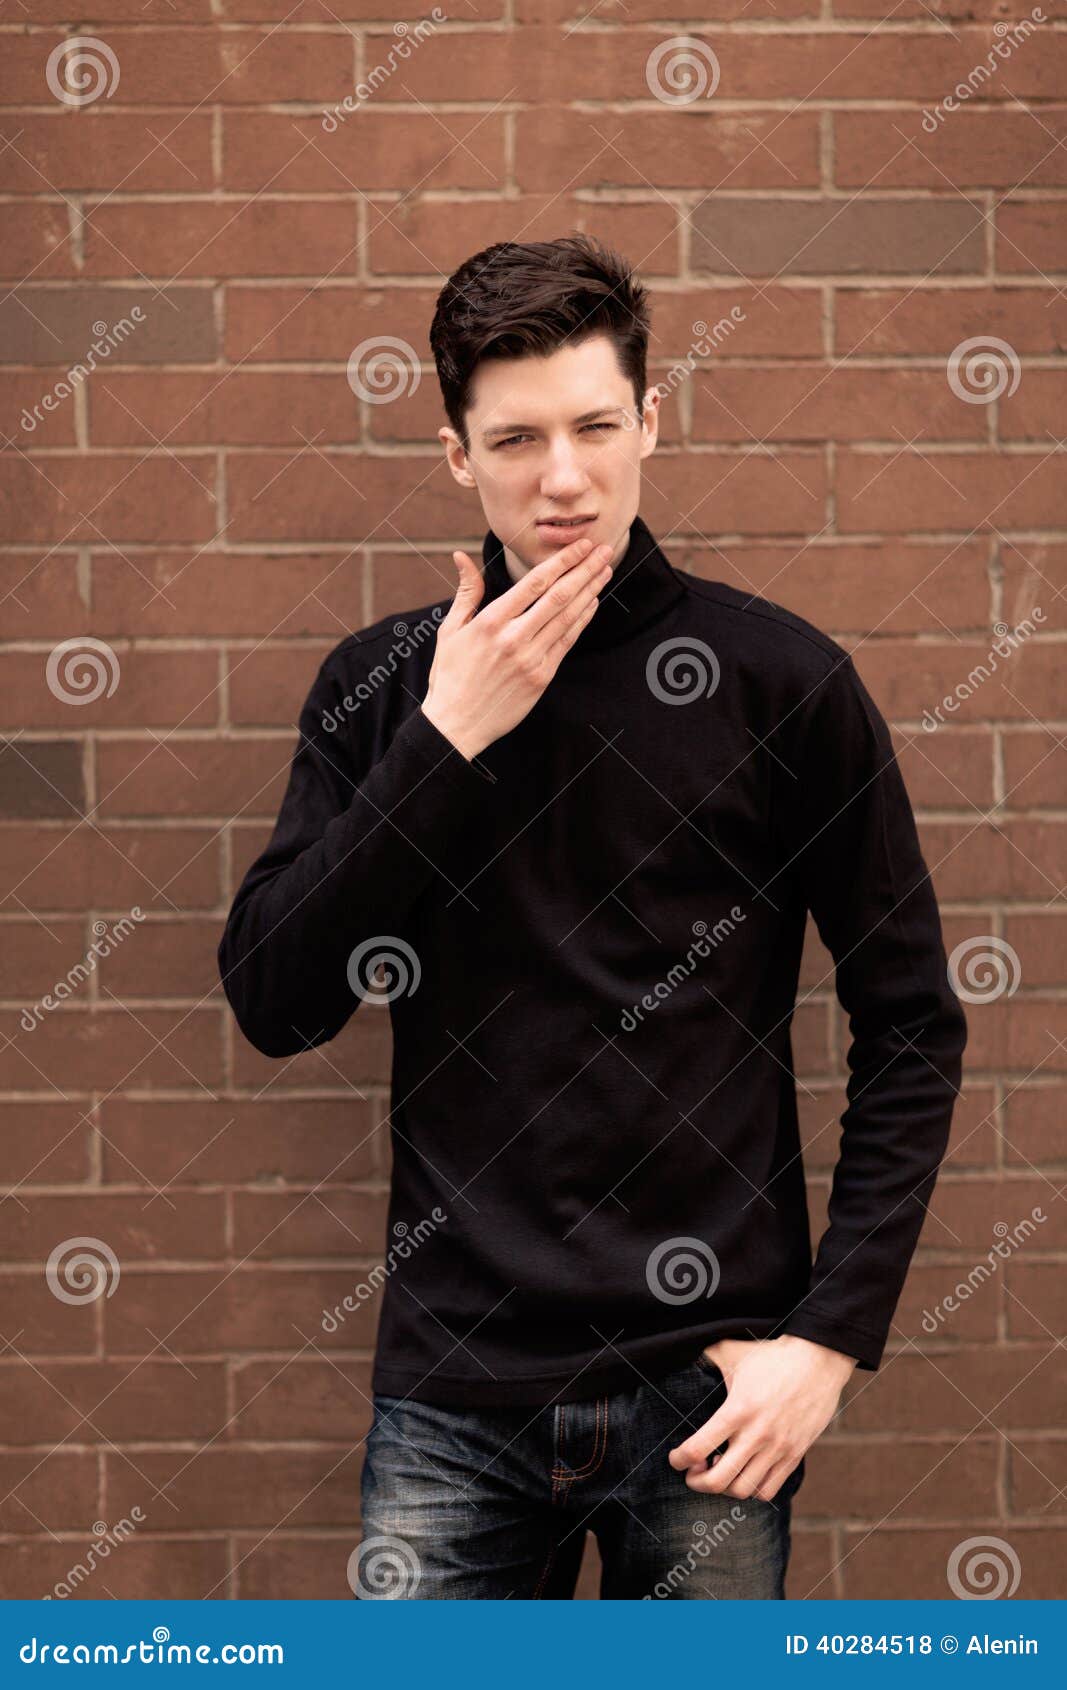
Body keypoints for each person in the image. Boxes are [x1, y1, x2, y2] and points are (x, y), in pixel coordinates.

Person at [218, 234, 968, 1599]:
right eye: (514, 439)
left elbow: (913, 1023)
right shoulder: (384, 691)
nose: (562, 478)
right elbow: (277, 999)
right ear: (457, 452)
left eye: (594, 426)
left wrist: (829, 1341)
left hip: (710, 1405)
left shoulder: (781, 684)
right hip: (456, 1397)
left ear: (652, 422)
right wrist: (445, 742)